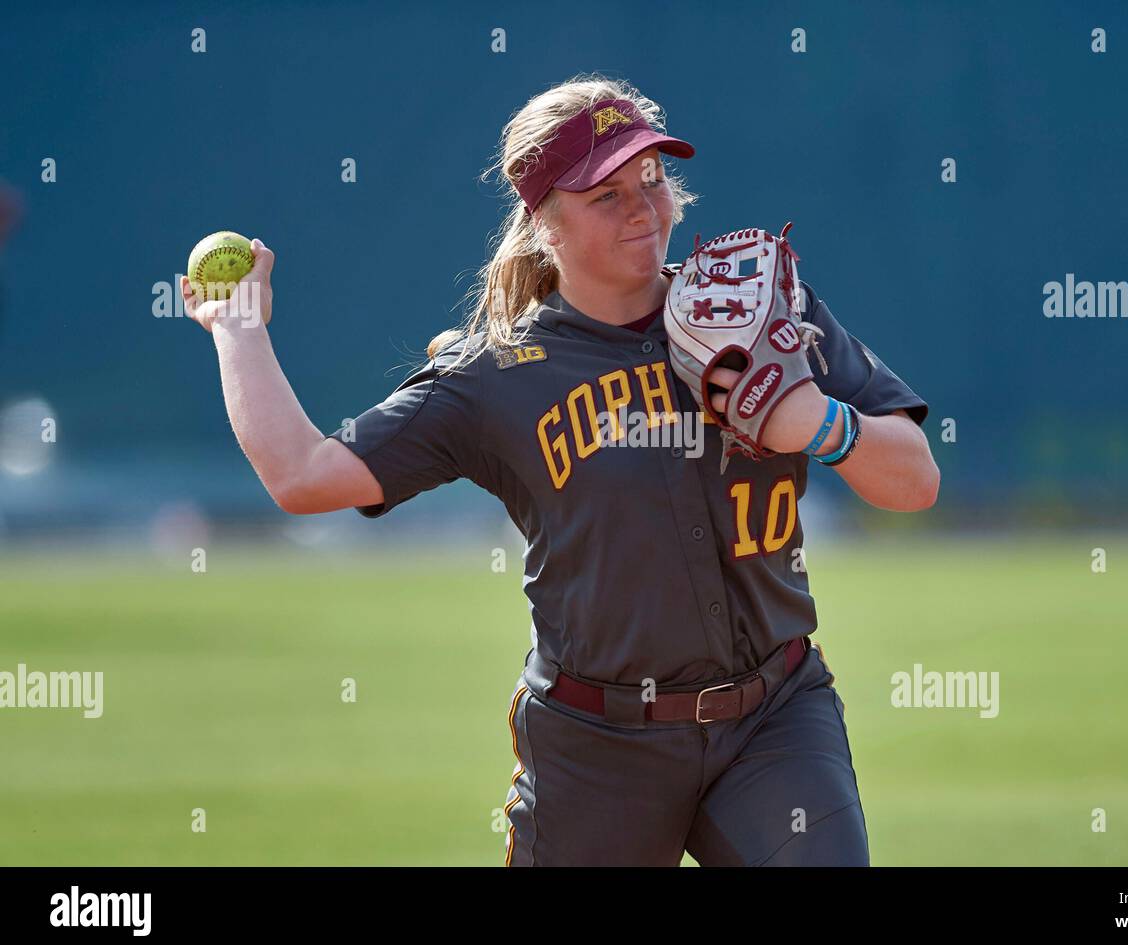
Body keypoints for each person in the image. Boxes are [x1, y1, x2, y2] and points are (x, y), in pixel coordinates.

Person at [183, 73, 940, 866]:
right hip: (595, 749)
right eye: (605, 194)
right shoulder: (497, 378)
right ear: (544, 221)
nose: (643, 207)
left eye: (651, 179)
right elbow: (302, 476)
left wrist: (821, 421)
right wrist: (238, 333)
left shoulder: (764, 311)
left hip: (775, 722)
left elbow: (915, 481)